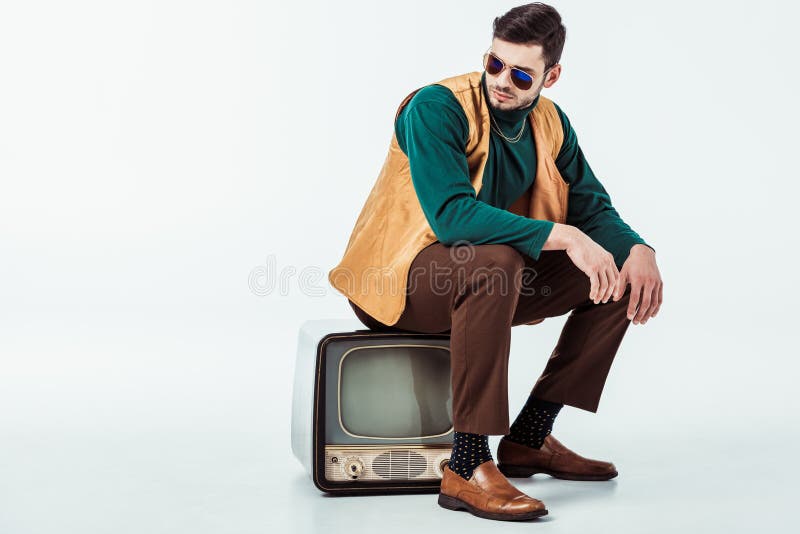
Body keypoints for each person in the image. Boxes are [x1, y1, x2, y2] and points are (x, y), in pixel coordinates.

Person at [328, 2, 663, 522]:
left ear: (551, 76)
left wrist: (638, 250)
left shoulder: (551, 122)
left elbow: (592, 206)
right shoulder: (437, 108)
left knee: (619, 277)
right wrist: (562, 235)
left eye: (522, 73)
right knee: (496, 261)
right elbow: (453, 219)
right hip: (402, 282)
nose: (503, 81)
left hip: (490, 279)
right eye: (494, 64)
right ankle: (467, 464)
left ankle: (529, 437)